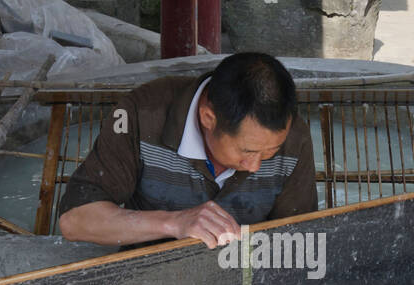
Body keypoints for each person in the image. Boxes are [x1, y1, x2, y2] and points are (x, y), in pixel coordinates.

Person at [58, 53, 317, 249]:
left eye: (270, 152)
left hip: (241, 283)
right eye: (247, 151)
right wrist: (174, 222)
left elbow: (299, 239)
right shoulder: (140, 114)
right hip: (147, 277)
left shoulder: (294, 138)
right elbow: (75, 220)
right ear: (208, 118)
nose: (255, 166)